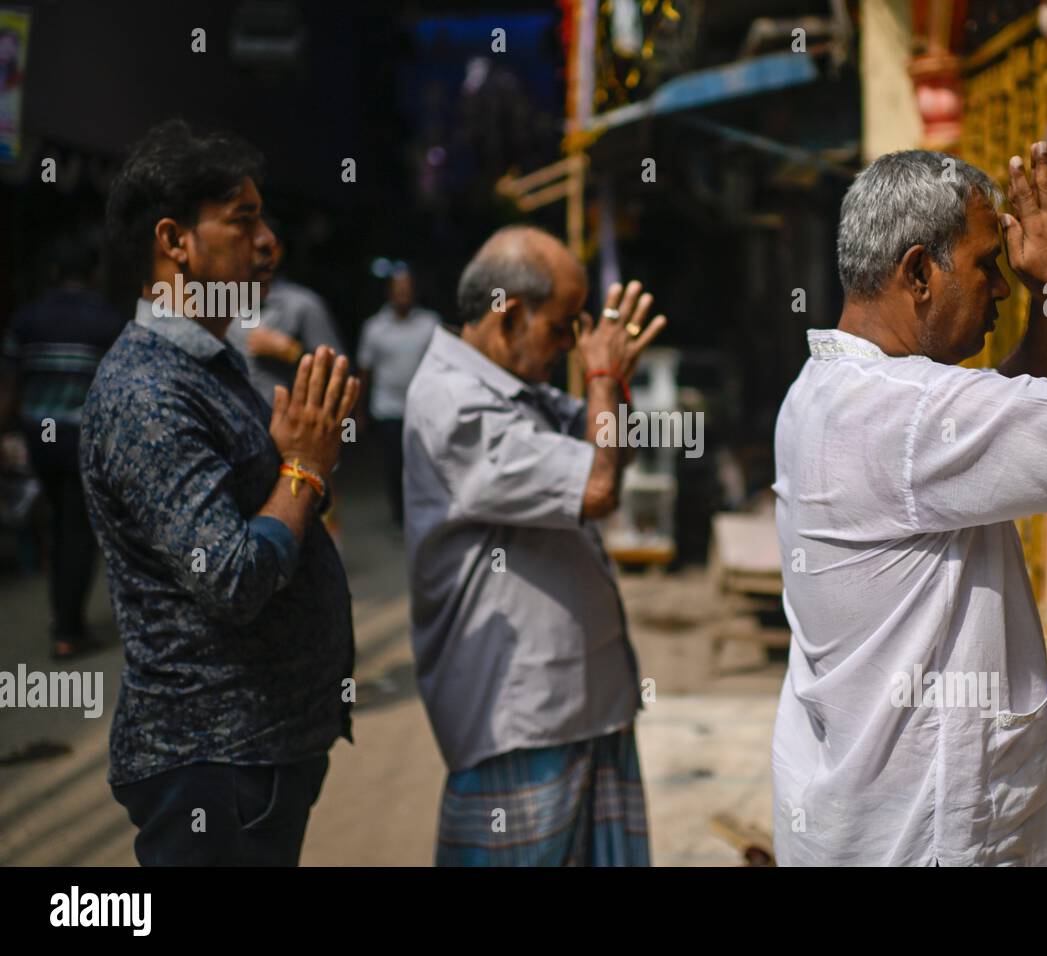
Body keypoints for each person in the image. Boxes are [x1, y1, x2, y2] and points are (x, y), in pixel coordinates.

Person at [771, 146, 1047, 866]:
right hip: (927, 841)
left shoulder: (829, 387)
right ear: (917, 273)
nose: (1000, 289)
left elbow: (1010, 409)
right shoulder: (910, 415)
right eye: (984, 265)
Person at [81, 119, 360, 866]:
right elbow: (230, 576)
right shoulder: (147, 391)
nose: (269, 241)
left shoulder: (216, 364)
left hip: (261, 753)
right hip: (213, 765)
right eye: (244, 220)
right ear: (175, 242)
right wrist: (304, 469)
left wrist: (296, 465)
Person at [403, 225, 667, 865]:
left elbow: (611, 449)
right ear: (509, 315)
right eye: (562, 329)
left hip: (582, 707)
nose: (571, 348)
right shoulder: (456, 404)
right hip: (521, 720)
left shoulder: (512, 387)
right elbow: (599, 486)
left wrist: (615, 381)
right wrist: (601, 373)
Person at [0, 232, 125, 659]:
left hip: (40, 439)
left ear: (54, 273)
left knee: (57, 526)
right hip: (83, 441)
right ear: (94, 273)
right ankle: (68, 629)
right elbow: (121, 390)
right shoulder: (108, 321)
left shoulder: (27, 319)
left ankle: (64, 619)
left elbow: (9, 386)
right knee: (78, 530)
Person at [225, 228, 345, 408]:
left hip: (286, 424)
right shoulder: (222, 305)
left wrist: (293, 353)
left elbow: (341, 375)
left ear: (276, 252)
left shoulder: (303, 305)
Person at [357, 268, 439, 525]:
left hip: (422, 408)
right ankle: (400, 516)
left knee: (423, 464)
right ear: (390, 292)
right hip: (387, 407)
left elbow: (442, 365)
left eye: (407, 288)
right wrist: (359, 410)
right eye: (398, 288)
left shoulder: (430, 323)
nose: (403, 293)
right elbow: (365, 370)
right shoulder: (374, 328)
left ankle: (424, 513)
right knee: (395, 463)